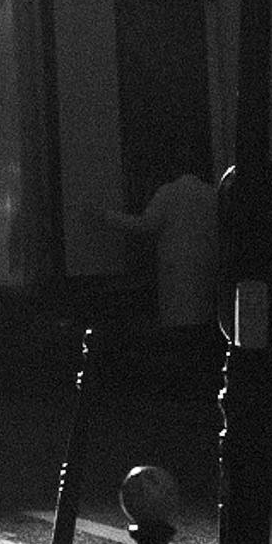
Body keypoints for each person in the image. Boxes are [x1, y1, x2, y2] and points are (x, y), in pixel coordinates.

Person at [94, 167, 220, 394]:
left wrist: (106, 217)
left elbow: (145, 224)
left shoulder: (168, 193)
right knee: (199, 324)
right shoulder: (211, 194)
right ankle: (201, 382)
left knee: (178, 328)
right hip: (205, 267)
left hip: (173, 271)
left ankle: (181, 383)